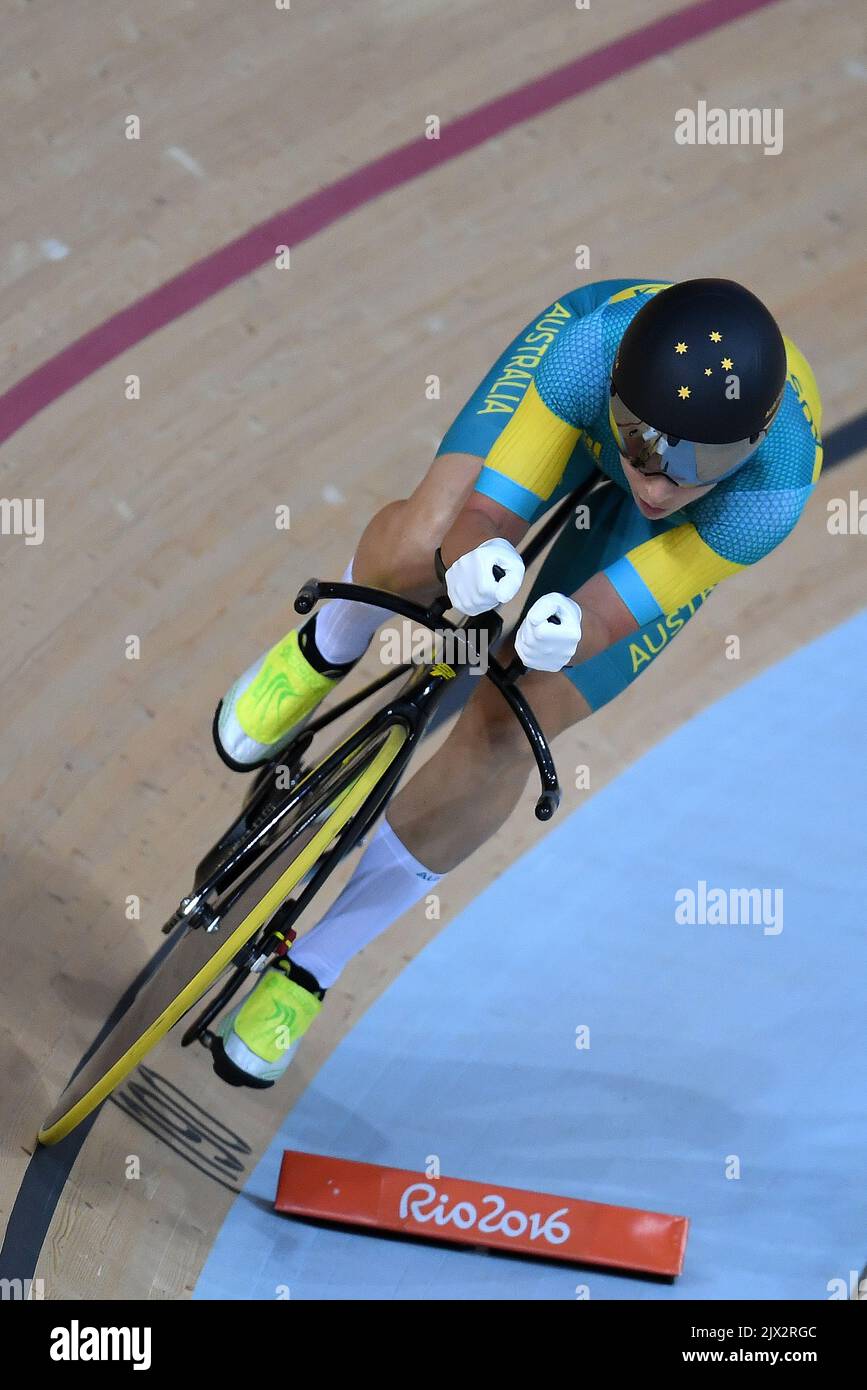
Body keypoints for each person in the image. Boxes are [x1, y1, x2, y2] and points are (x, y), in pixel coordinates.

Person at [208, 278, 823, 1087]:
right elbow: (484, 520)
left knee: (515, 721)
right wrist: (475, 557)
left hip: (674, 540)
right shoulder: (586, 355)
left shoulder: (765, 496)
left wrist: (567, 632)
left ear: (748, 447)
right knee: (426, 541)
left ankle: (312, 964)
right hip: (571, 418)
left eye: (695, 466)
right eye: (644, 445)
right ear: (616, 392)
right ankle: (323, 644)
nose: (657, 483)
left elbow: (603, 620)